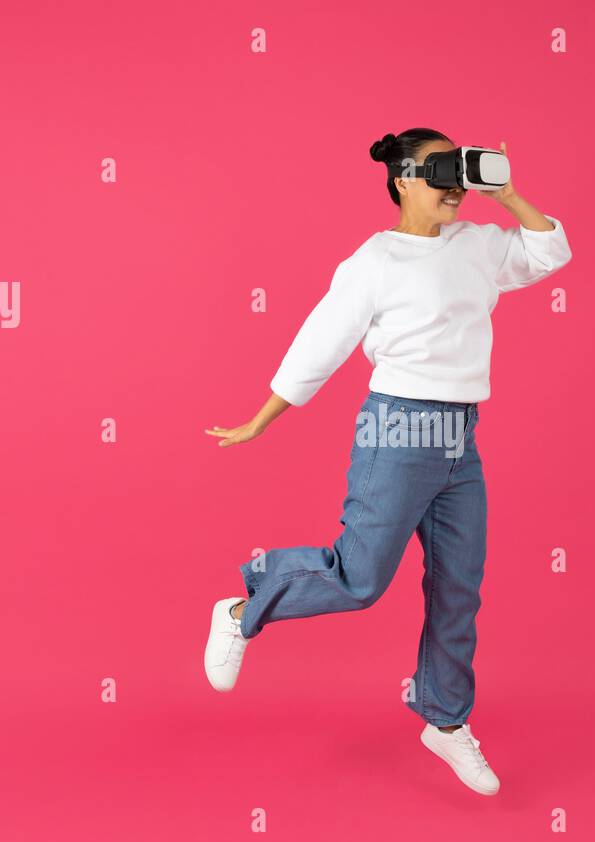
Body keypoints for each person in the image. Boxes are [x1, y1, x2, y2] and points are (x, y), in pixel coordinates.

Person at [203, 128, 572, 796]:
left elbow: (550, 251)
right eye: (442, 172)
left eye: (462, 170)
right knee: (360, 579)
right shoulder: (374, 262)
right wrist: (261, 419)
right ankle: (244, 606)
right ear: (404, 178)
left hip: (461, 437)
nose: (456, 184)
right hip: (399, 432)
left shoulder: (477, 247)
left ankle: (445, 719)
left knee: (459, 587)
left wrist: (509, 195)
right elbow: (319, 344)